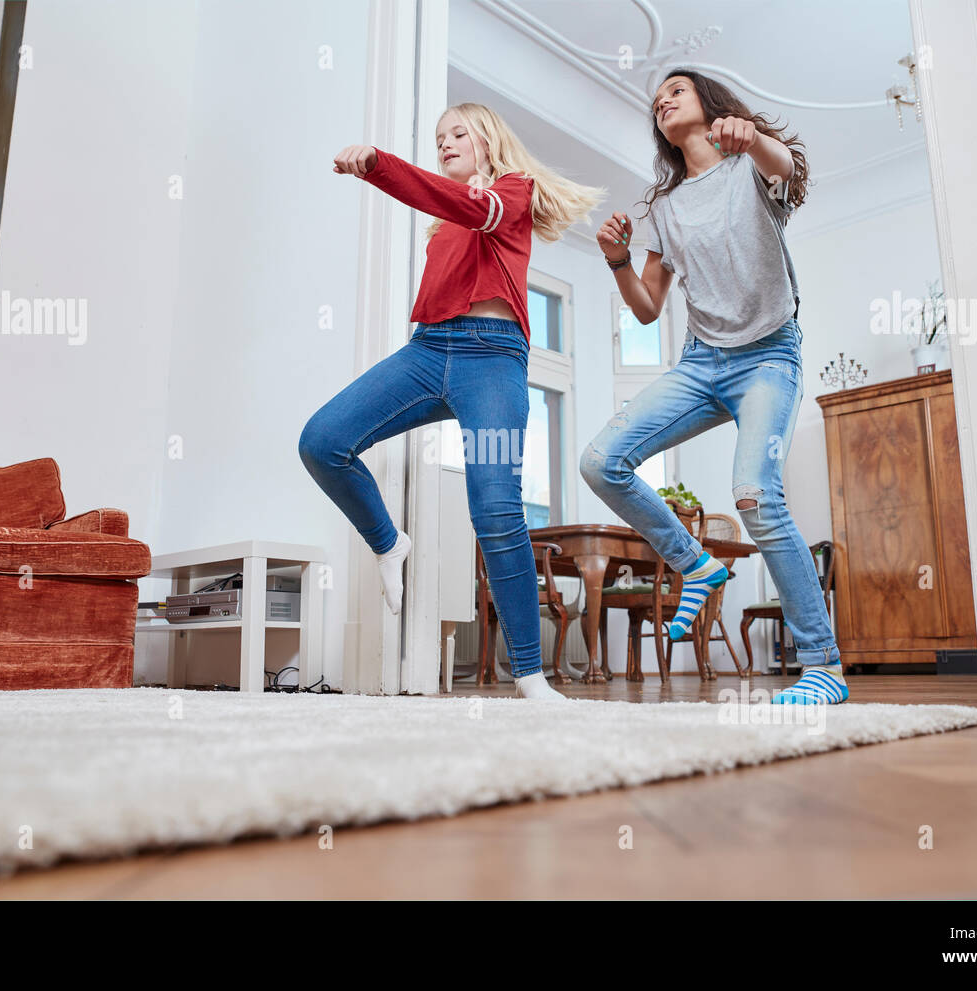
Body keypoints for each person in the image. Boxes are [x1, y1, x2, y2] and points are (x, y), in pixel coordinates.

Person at [299, 103, 603, 701]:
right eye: (439, 138)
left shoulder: (512, 192)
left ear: (489, 141)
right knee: (323, 441)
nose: (446, 143)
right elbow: (453, 209)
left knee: (495, 510)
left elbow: (476, 206)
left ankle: (531, 676)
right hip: (427, 352)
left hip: (491, 362)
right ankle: (390, 541)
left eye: (458, 133)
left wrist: (381, 167)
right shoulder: (445, 225)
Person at [580, 69, 846, 704]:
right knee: (600, 461)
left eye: (676, 89)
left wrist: (751, 137)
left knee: (755, 494)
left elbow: (790, 170)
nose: (663, 100)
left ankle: (824, 669)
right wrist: (618, 258)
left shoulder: (751, 166)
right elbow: (647, 308)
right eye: (656, 101)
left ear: (709, 103)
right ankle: (695, 561)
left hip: (768, 359)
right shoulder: (664, 208)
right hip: (701, 365)